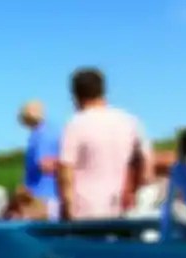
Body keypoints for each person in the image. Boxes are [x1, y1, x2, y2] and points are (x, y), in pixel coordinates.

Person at [57, 67, 152, 220]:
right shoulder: (130, 121)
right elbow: (146, 166)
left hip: (85, 211)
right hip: (122, 209)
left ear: (75, 95)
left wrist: (67, 209)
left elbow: (66, 171)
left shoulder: (75, 124)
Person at [18, 100, 61, 220]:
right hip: (52, 194)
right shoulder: (53, 130)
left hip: (40, 197)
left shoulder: (39, 134)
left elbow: (44, 164)